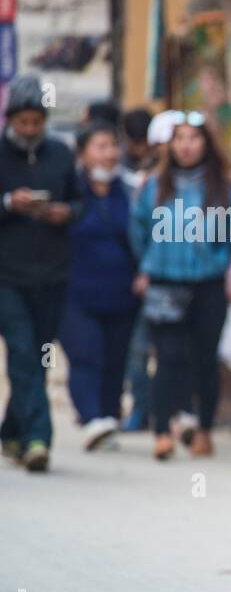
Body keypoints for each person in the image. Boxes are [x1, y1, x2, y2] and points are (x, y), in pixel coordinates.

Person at [130, 111, 231, 460]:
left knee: (205, 359)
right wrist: (148, 266)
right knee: (167, 357)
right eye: (180, 139)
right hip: (164, 283)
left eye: (194, 138)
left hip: (208, 285)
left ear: (206, 144)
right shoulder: (153, 187)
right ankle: (162, 431)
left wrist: (220, 264)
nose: (187, 146)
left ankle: (204, 428)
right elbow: (138, 231)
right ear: (171, 145)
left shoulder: (224, 187)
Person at [0, 75, 82, 472]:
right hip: (7, 276)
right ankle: (38, 438)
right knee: (22, 353)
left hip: (52, 274)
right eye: (23, 122)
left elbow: (80, 201)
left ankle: (11, 431)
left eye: (36, 122)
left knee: (41, 357)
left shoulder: (61, 155)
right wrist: (7, 204)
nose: (30, 130)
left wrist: (66, 212)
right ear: (10, 119)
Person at [59, 119, 139, 450]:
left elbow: (143, 236)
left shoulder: (133, 190)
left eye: (112, 146)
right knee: (85, 355)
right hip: (75, 291)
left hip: (123, 291)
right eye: (100, 146)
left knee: (115, 361)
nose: (109, 154)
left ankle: (108, 419)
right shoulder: (68, 191)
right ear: (82, 154)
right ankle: (91, 416)